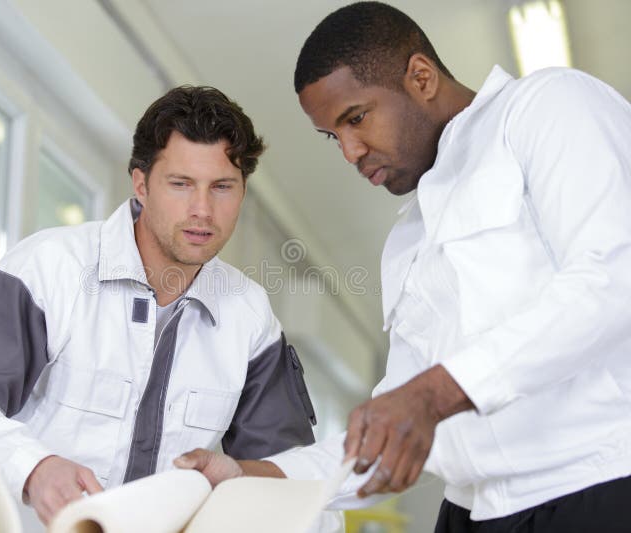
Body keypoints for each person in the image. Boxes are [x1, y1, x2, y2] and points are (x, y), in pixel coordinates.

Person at [175, 2, 631, 531]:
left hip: (594, 489)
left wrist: (432, 393)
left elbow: (614, 276)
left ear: (420, 76)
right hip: (471, 513)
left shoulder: (545, 107)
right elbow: (392, 427)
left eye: (356, 117)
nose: (348, 150)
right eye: (333, 135)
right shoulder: (408, 238)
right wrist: (252, 476)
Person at [0, 85, 317, 525]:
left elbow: (288, 476)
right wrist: (33, 468)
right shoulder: (51, 268)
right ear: (141, 184)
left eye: (221, 187)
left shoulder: (250, 318)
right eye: (181, 184)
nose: (203, 209)